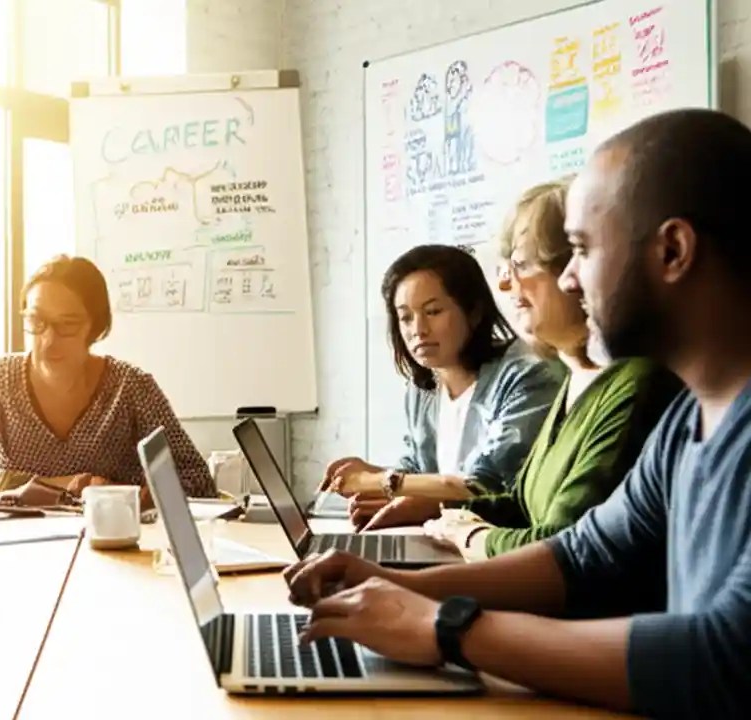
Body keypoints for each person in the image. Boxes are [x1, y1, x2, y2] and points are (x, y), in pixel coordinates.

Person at [285, 109, 751, 717]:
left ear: (672, 251)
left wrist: (447, 627)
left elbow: (726, 660)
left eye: (581, 250)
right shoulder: (688, 421)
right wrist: (395, 584)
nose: (571, 279)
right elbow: (579, 557)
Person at [368, 180, 682, 559]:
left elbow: (564, 548)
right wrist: (443, 513)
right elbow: (519, 502)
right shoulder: (576, 378)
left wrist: (469, 534)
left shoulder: (634, 384)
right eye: (405, 317)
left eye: (520, 265)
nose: (504, 283)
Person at [325, 244, 563, 528]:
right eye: (405, 317)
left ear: (474, 312)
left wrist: (379, 481)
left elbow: (488, 485)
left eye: (433, 311)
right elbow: (417, 470)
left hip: (500, 543)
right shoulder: (423, 389)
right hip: (445, 537)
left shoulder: (528, 375)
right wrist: (378, 484)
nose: (418, 330)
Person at [0, 255, 216, 507]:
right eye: (36, 320)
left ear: (95, 326)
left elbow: (197, 479)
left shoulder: (131, 387)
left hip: (109, 531)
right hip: (12, 533)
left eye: (67, 325)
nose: (49, 340)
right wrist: (62, 485)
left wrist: (127, 495)